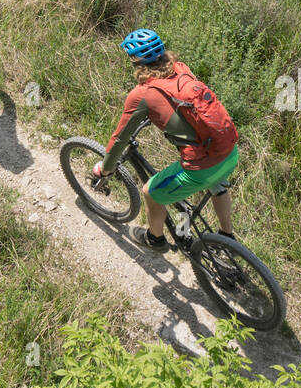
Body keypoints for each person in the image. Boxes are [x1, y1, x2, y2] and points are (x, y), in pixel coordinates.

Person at [94, 28, 239, 255]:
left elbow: (120, 138)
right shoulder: (181, 69)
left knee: (151, 192)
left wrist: (106, 169)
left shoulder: (141, 94)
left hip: (200, 168)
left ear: (135, 62)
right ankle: (227, 236)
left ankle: (155, 239)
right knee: (217, 181)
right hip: (229, 151)